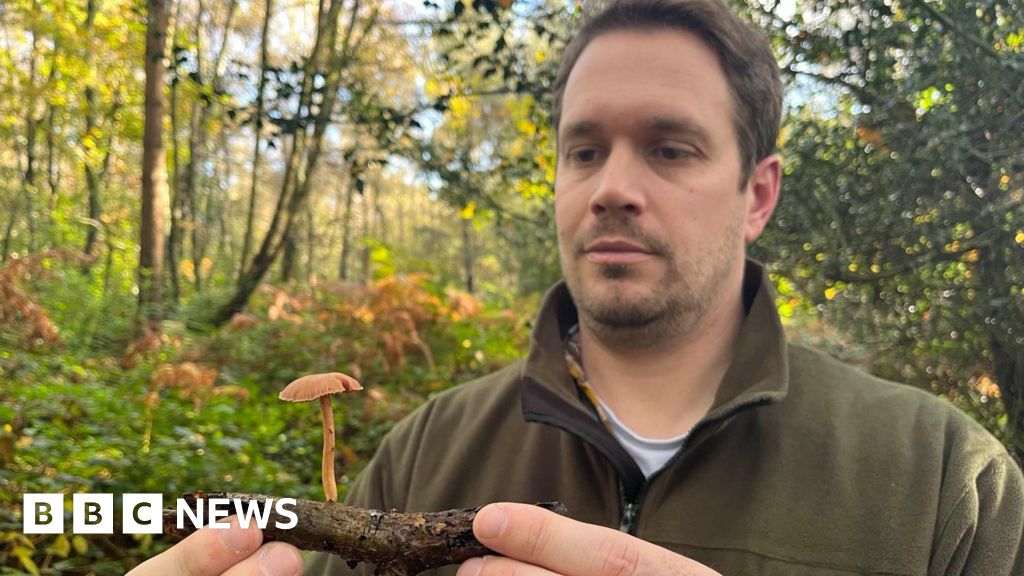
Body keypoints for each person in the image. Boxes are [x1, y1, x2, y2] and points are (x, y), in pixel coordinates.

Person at [130, 0, 1023, 574]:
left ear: (758, 195)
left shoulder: (948, 484)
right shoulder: (423, 453)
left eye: (670, 148)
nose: (612, 187)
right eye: (584, 150)